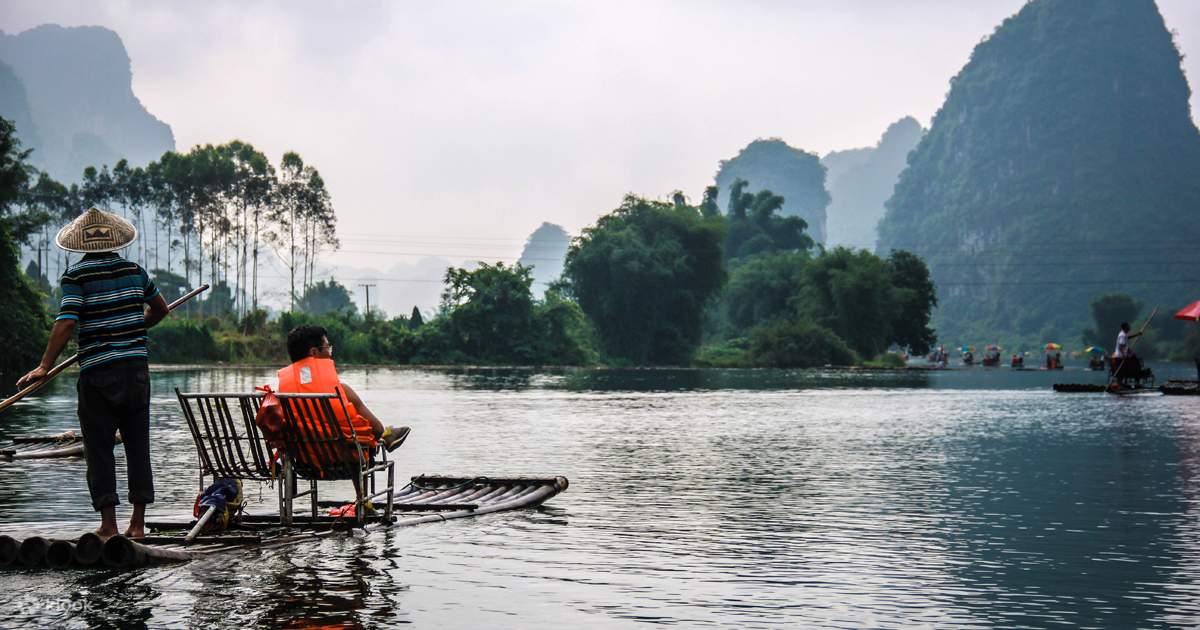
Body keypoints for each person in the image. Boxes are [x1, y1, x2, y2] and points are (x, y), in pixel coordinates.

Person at [16, 208, 169, 539]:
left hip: (98, 373)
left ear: (82, 244)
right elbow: (160, 309)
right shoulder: (135, 271)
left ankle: (109, 526)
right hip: (136, 372)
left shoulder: (77, 276)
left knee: (98, 449)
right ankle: (138, 525)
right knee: (137, 446)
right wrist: (136, 326)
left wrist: (44, 366)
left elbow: (67, 321)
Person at [277, 324, 408, 452]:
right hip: (345, 460)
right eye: (328, 347)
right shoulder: (341, 391)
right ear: (314, 352)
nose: (330, 353)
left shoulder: (282, 395)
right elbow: (377, 430)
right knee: (381, 434)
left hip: (303, 460)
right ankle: (388, 438)